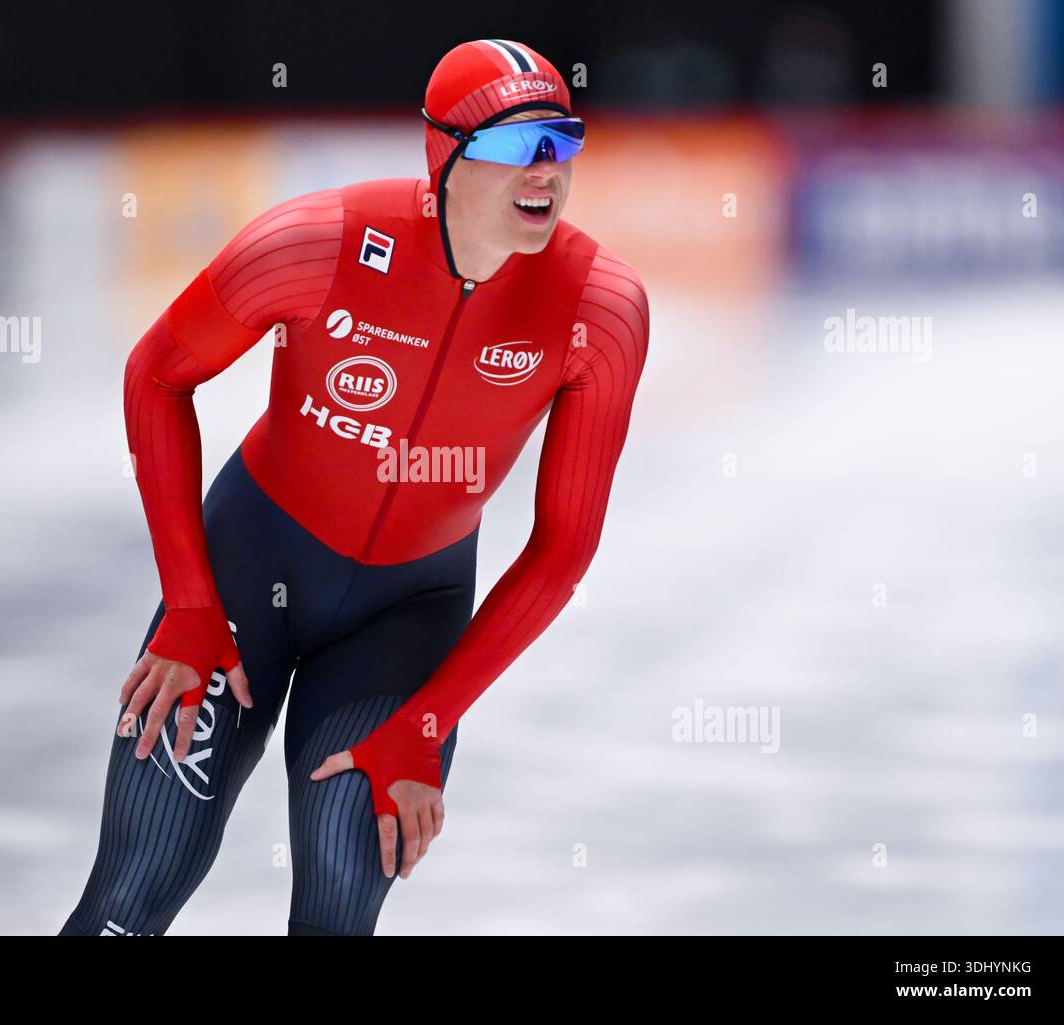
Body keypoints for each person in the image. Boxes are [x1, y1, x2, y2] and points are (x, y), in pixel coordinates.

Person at [59, 38, 649, 937]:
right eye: (510, 144)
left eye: (560, 140)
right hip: (246, 578)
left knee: (340, 891)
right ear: (443, 154)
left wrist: (431, 719)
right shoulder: (312, 243)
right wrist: (187, 601)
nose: (544, 169)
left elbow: (564, 547)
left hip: (406, 615)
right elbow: (157, 373)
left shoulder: (597, 310)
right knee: (134, 886)